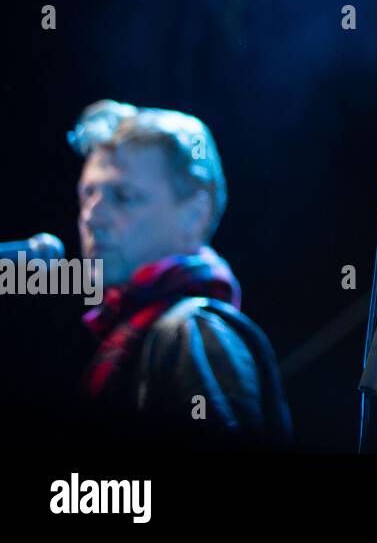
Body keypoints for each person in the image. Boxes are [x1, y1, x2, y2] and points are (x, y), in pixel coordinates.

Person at [68, 99, 292, 448]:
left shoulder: (195, 331)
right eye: (87, 194)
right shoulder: (135, 334)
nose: (91, 217)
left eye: (123, 196)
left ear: (194, 215)